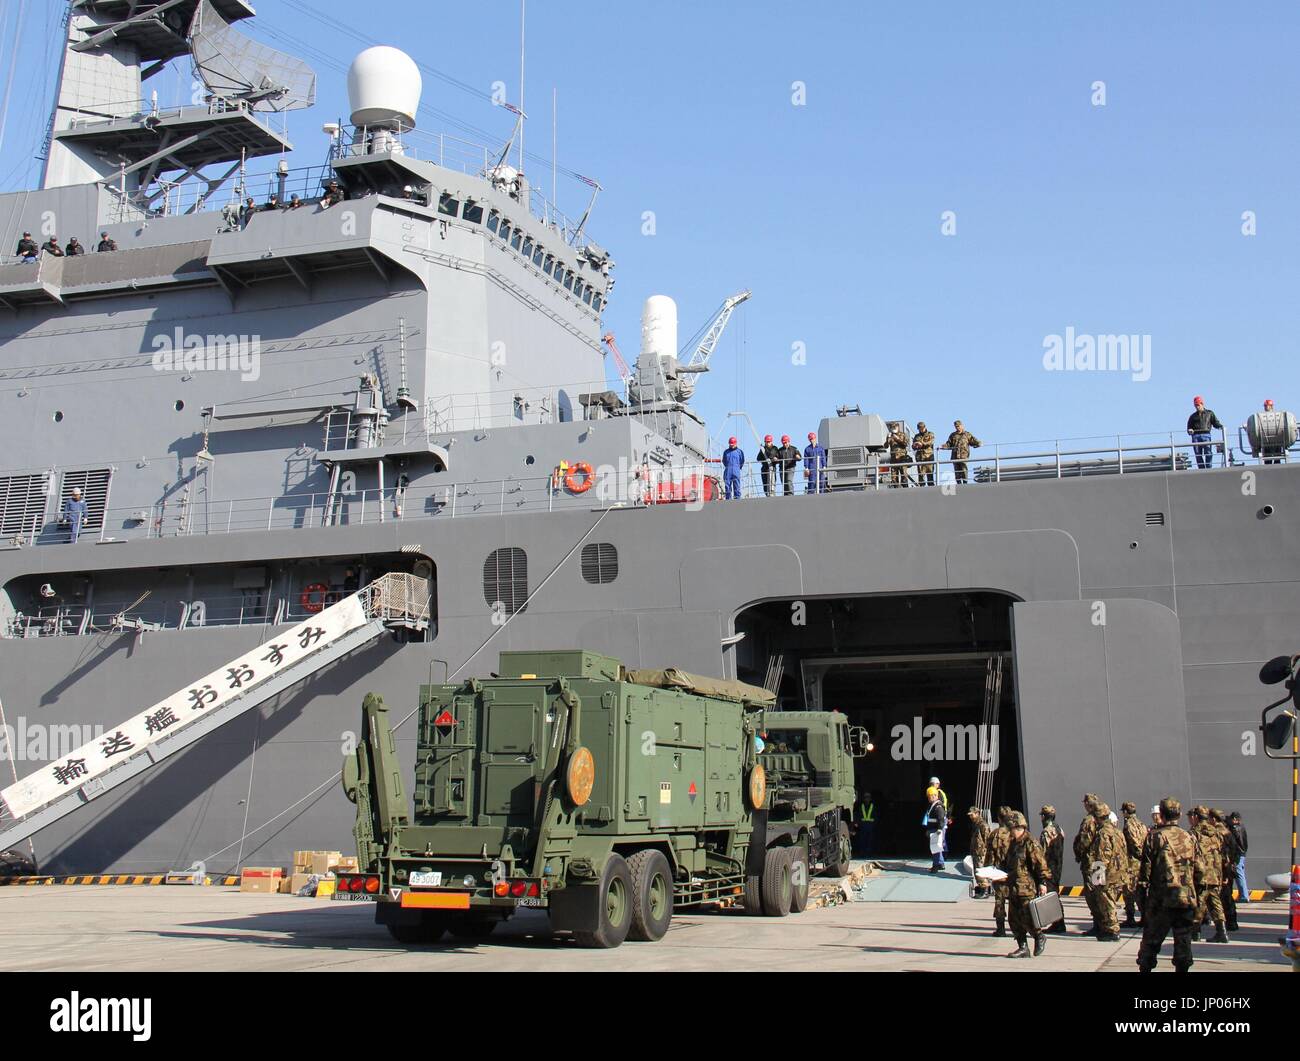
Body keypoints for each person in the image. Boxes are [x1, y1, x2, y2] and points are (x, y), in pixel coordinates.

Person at [1136, 797, 1201, 973]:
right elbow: (1199, 870)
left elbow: (1144, 874)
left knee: (1151, 942)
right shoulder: (1190, 837)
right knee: (1183, 940)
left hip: (1161, 900)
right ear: (1179, 814)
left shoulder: (1154, 837)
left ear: (1162, 815)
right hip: (1185, 898)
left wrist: (1141, 901)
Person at [1000, 811, 1050, 958]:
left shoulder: (1030, 842)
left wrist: (1042, 882)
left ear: (1018, 827)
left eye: (1011, 829)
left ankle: (1039, 936)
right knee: (1014, 919)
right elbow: (1007, 863)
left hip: (1026, 887)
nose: (1010, 832)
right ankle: (1023, 947)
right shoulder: (1013, 843)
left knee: (1028, 917)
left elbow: (1040, 864)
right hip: (1013, 886)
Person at [1085, 801, 1128, 941]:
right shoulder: (1117, 831)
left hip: (1109, 874)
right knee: (1111, 901)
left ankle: (1112, 931)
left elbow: (1103, 856)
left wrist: (1096, 878)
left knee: (1107, 901)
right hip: (1119, 872)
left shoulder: (1103, 833)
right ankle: (1110, 928)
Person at [1188, 806, 1228, 943]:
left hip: (1201, 874)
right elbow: (1222, 854)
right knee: (1215, 903)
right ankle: (1222, 932)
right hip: (1215, 874)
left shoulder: (1194, 833)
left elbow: (1190, 855)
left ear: (1195, 817)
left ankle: (1195, 933)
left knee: (1199, 903)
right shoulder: (1217, 832)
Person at [1073, 793, 1101, 935]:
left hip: (1091, 863)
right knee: (1100, 891)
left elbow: (1084, 841)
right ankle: (1104, 922)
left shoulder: (1089, 820)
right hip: (1100, 863)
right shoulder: (1103, 818)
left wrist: (1078, 853)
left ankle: (1098, 924)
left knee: (1092, 892)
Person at [1210, 808, 1239, 933]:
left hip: (1221, 870)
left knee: (1221, 898)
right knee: (1228, 897)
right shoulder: (1228, 832)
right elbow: (1235, 853)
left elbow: (1222, 855)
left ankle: (1225, 925)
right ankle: (1232, 922)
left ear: (1214, 819)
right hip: (1229, 869)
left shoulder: (1217, 833)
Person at [985, 807, 1013, 935]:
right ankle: (1017, 927)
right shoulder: (1016, 833)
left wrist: (986, 872)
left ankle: (1000, 928)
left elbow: (989, 855)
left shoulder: (994, 834)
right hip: (1013, 871)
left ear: (999, 818)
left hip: (998, 871)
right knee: (1015, 900)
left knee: (999, 900)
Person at [1039, 805, 1067, 932]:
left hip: (1049, 868)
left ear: (1044, 816)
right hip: (1058, 867)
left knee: (1051, 896)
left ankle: (1058, 923)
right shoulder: (1059, 829)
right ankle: (1059, 922)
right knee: (1055, 894)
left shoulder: (1047, 831)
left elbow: (1043, 853)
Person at [1121, 801, 1148, 928]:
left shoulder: (1129, 825)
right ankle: (1144, 917)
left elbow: (1134, 842)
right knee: (1140, 891)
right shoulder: (1141, 824)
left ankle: (1130, 917)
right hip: (1141, 862)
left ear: (1126, 812)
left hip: (1132, 862)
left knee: (1129, 891)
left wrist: (1138, 855)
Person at [1186, 396, 1223, 470]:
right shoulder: (1192, 416)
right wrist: (1190, 431)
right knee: (1198, 454)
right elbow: (1189, 427)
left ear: (1202, 404)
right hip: (1196, 436)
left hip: (1206, 434)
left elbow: (1215, 422)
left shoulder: (1209, 413)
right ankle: (1202, 469)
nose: (1197, 407)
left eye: (1198, 405)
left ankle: (1208, 468)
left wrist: (1221, 427)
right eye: (1195, 405)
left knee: (1208, 452)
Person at [941, 420, 982, 484]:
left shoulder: (967, 434)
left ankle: (965, 482)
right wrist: (942, 447)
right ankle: (958, 483)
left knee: (964, 470)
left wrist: (978, 443)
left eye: (958, 426)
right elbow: (949, 444)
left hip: (963, 456)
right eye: (956, 426)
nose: (957, 427)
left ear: (962, 426)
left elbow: (973, 441)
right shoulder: (953, 435)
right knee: (957, 471)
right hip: (955, 456)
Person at [968, 806, 990, 897]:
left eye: (972, 815)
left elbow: (987, 839)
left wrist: (985, 851)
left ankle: (984, 891)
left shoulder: (983, 825)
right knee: (977, 871)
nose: (971, 817)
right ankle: (982, 888)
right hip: (976, 851)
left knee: (981, 871)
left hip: (981, 853)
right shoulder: (976, 824)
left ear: (977, 814)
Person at [1229, 811, 1250, 908]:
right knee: (1241, 873)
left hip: (1238, 853)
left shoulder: (1236, 828)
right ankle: (1244, 895)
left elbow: (1235, 840)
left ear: (1235, 819)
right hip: (1242, 853)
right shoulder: (1242, 827)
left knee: (1239, 873)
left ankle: (1244, 896)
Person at [924, 785, 947, 873]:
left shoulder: (938, 807)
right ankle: (939, 864)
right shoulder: (933, 806)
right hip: (933, 830)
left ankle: (935, 866)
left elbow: (941, 818)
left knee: (935, 849)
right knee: (936, 848)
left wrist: (939, 829)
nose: (929, 798)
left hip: (936, 831)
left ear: (934, 796)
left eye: (929, 796)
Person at [886, 422, 912, 487]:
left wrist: (897, 439)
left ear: (898, 427)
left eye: (894, 427)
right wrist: (887, 439)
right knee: (894, 478)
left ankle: (905, 489)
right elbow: (886, 446)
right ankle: (896, 490)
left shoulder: (903, 435)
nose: (893, 429)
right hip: (893, 459)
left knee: (904, 476)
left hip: (902, 458)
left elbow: (905, 444)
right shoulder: (890, 435)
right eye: (892, 427)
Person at [913, 421, 936, 486]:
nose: (921, 429)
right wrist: (915, 445)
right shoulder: (916, 436)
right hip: (920, 457)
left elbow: (931, 442)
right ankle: (922, 486)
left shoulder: (930, 434)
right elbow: (913, 446)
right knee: (921, 475)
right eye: (919, 428)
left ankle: (931, 487)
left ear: (924, 427)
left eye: (922, 428)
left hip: (928, 457)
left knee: (930, 474)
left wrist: (922, 444)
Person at [854, 790, 876, 857]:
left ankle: (869, 854)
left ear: (870, 798)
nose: (867, 798)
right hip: (863, 825)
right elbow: (858, 815)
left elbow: (876, 816)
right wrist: (857, 823)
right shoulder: (861, 806)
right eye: (866, 797)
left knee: (870, 840)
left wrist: (874, 824)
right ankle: (862, 853)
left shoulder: (873, 806)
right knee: (862, 840)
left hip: (870, 826)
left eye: (868, 797)